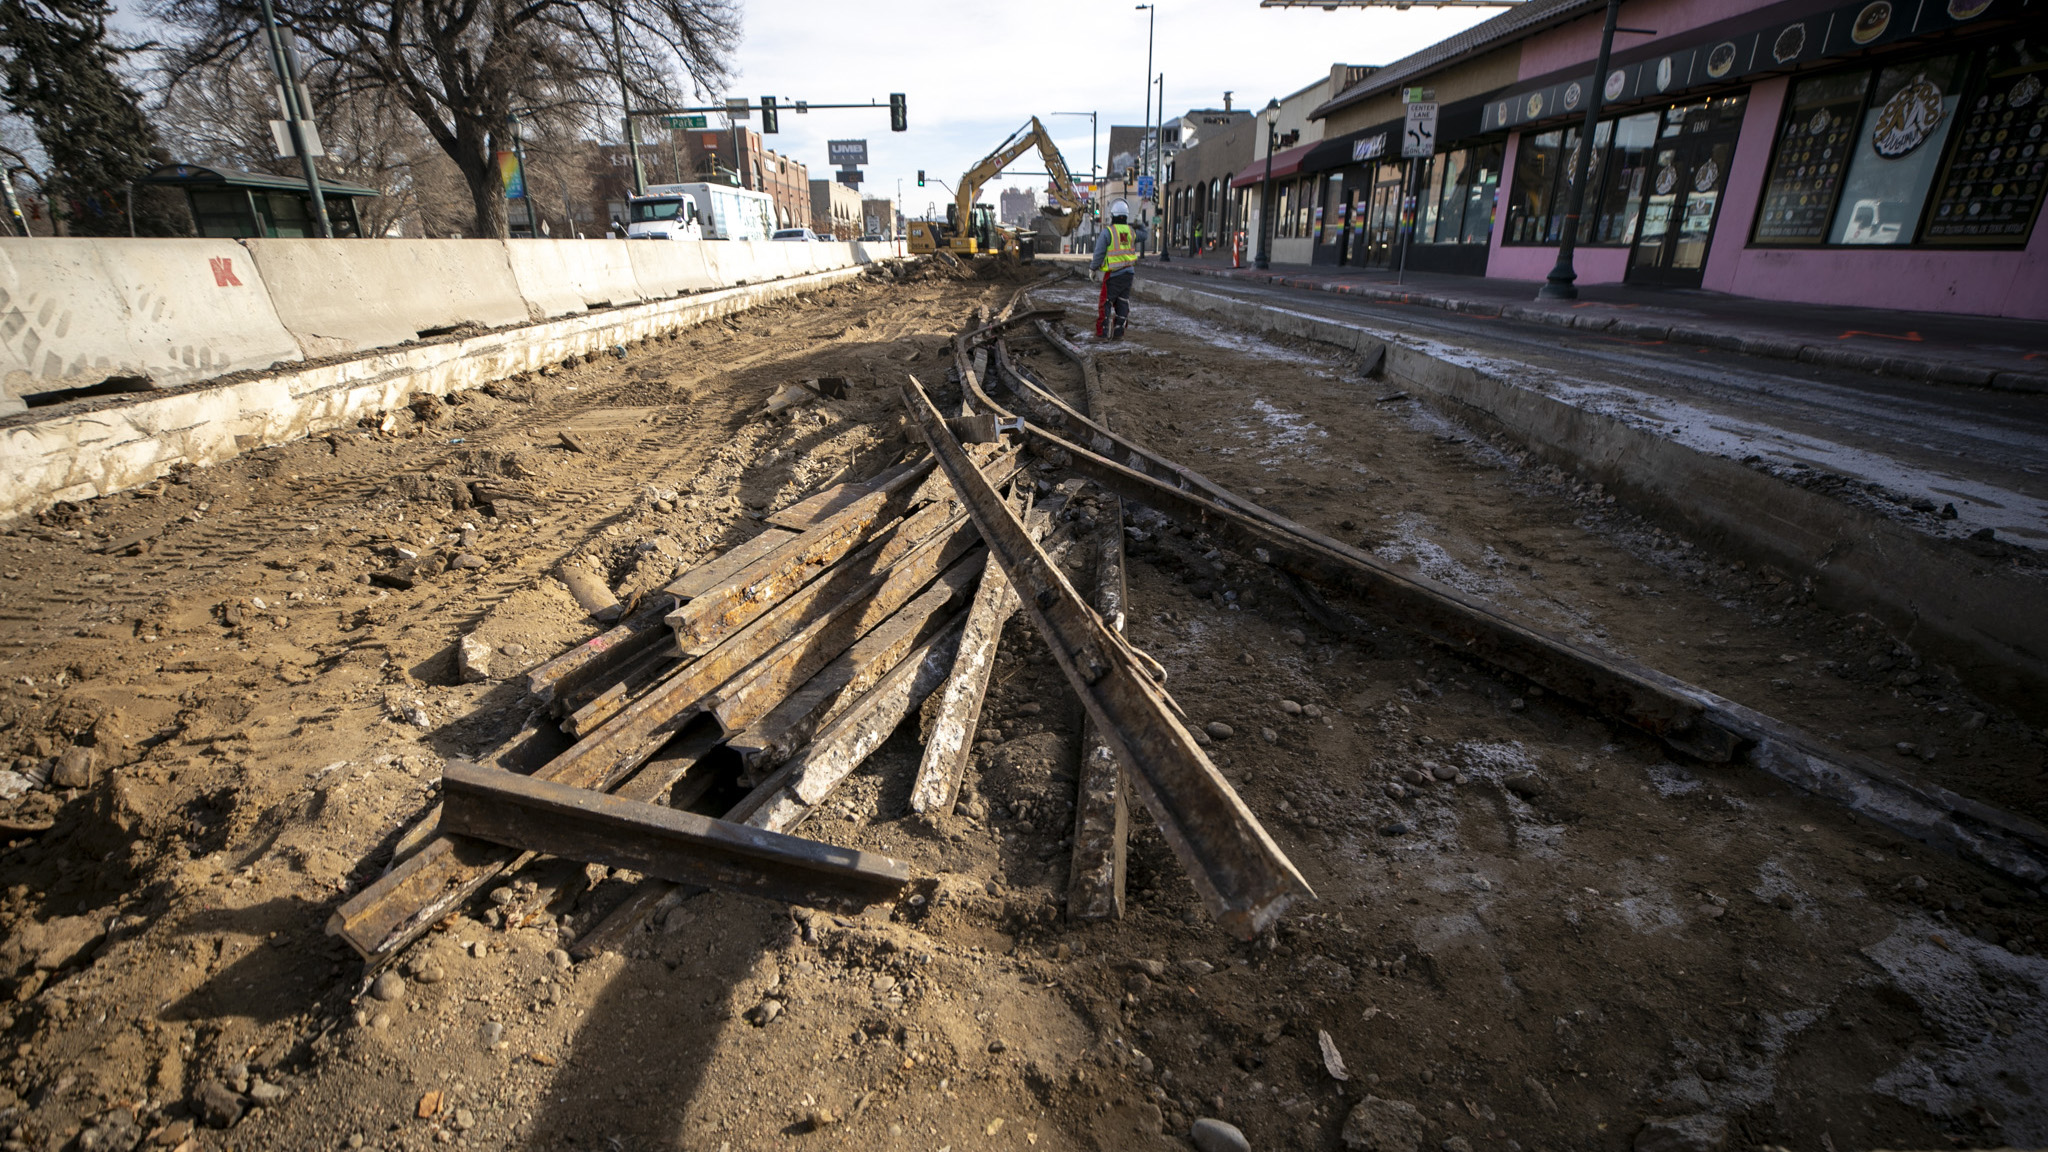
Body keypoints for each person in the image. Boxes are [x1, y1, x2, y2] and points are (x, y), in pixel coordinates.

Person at [1091, 198, 1148, 341]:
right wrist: (1140, 223)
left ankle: (1102, 334)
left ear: (1112, 215)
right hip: (1128, 274)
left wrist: (1093, 268)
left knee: (1105, 302)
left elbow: (1099, 253)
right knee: (1122, 302)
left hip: (1113, 274)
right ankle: (1118, 333)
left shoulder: (1108, 232)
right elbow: (1145, 235)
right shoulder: (1131, 231)